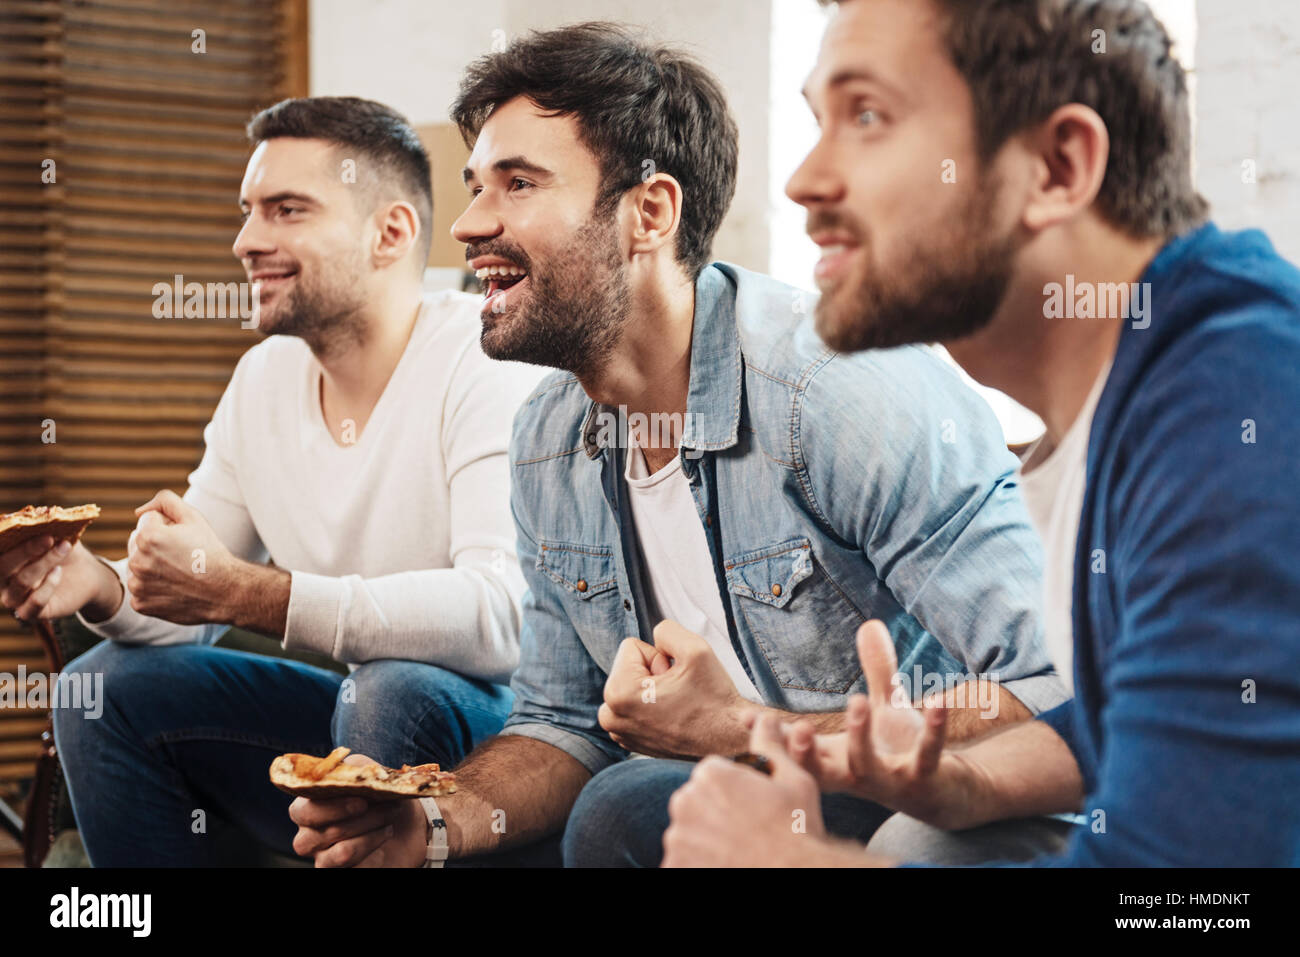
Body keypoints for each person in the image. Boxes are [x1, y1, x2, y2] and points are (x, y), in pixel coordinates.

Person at [287, 23, 1066, 870]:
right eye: (476, 185)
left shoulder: (837, 391)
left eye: (518, 183)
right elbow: (561, 723)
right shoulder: (548, 439)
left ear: (649, 213)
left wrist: (739, 729)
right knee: (586, 808)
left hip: (949, 787)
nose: (471, 225)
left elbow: (1048, 683)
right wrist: (436, 826)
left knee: (623, 806)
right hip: (741, 785)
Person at [663, 0, 1300, 867]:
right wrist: (975, 781)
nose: (804, 179)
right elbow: (1143, 708)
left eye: (869, 117)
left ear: (1056, 166)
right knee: (935, 835)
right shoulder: (1154, 373)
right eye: (820, 121)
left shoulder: (1236, 409)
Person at [0, 96, 541, 865]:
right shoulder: (263, 378)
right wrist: (97, 584)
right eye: (249, 211)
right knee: (104, 688)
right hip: (359, 719)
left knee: (389, 687)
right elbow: (194, 600)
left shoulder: (482, 360)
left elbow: (500, 615)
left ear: (391, 231)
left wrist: (253, 593)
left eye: (287, 210)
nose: (247, 240)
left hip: (498, 738)